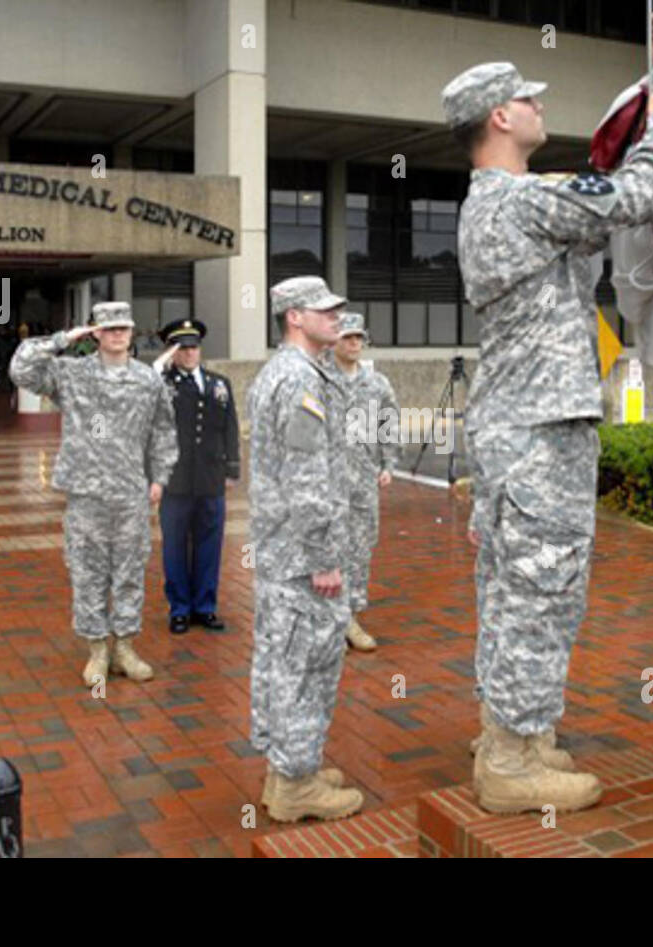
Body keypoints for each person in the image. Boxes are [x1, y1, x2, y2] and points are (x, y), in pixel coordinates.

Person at [443, 59, 653, 814]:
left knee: (513, 585)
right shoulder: (518, 201)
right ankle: (513, 763)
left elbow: (587, 212)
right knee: (540, 590)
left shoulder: (503, 203)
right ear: (498, 120)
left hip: (520, 422)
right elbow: (635, 195)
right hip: (538, 428)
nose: (537, 104)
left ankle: (511, 732)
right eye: (525, 98)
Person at [10, 301, 178, 687]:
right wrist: (62, 339)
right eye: (109, 328)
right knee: (87, 573)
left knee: (131, 572)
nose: (118, 334)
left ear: (132, 333)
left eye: (124, 328)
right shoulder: (71, 374)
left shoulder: (147, 379)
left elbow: (164, 431)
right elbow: (21, 369)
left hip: (130, 493)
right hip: (86, 494)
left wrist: (160, 477)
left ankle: (125, 647)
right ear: (96, 333)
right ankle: (97, 650)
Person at [248, 275, 362, 823]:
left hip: (280, 550)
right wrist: (324, 558)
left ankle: (288, 770)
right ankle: (296, 785)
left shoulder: (287, 372)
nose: (336, 317)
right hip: (300, 556)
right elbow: (306, 477)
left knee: (283, 660)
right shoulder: (300, 381)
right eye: (324, 310)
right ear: (295, 316)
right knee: (306, 663)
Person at [155, 318, 241, 634]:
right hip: (175, 481)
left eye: (194, 347)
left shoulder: (219, 383)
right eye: (183, 347)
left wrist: (232, 468)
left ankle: (205, 606)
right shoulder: (162, 384)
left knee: (209, 544)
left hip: (210, 478)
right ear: (173, 351)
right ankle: (179, 608)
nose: (191, 353)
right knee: (175, 546)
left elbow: (230, 426)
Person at [322, 311, 399, 652]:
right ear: (334, 341)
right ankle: (333, 617)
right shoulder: (320, 380)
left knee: (361, 546)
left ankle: (350, 613)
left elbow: (388, 423)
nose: (354, 344)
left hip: (364, 479)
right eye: (347, 337)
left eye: (358, 338)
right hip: (328, 481)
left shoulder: (376, 384)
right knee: (329, 546)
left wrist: (388, 463)